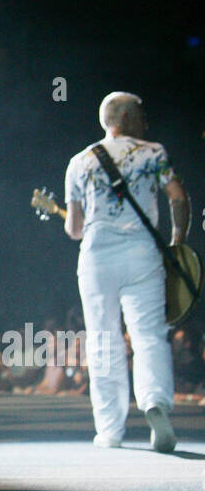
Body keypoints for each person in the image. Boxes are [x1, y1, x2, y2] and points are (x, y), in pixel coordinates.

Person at [64, 91, 190, 451]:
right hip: (141, 255)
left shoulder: (79, 162)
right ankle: (155, 403)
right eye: (140, 114)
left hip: (97, 259)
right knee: (150, 334)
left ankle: (110, 430)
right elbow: (178, 197)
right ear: (123, 118)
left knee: (103, 338)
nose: (145, 122)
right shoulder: (152, 153)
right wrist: (177, 240)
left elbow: (74, 229)